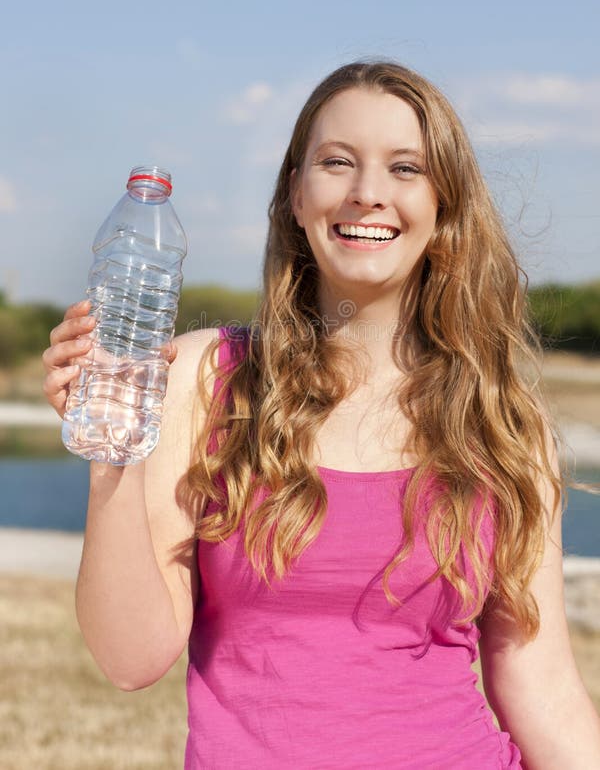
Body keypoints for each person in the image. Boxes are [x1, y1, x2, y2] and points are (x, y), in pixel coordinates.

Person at [42, 60, 600, 769]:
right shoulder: (202, 381)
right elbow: (130, 658)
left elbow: (542, 684)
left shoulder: (500, 424)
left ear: (444, 210)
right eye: (337, 162)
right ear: (295, 197)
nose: (368, 194)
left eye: (405, 168)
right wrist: (111, 452)